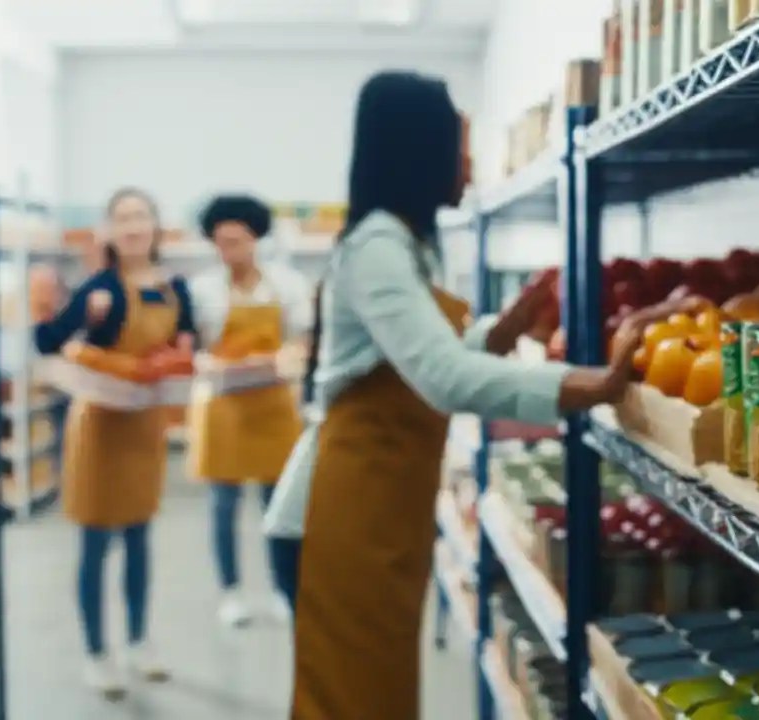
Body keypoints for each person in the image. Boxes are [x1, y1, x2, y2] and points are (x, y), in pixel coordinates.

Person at [262, 71, 690, 720]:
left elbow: (421, 352)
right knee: (350, 703)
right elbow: (445, 377)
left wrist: (505, 329)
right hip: (333, 520)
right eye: (458, 144)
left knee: (374, 698)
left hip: (374, 510)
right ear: (417, 150)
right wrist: (594, 387)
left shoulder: (403, 243)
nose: (468, 162)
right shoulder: (377, 245)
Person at [35, 187, 195, 698]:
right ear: (110, 230)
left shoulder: (175, 288)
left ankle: (139, 642)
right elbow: (48, 341)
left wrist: (179, 358)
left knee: (139, 538)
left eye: (141, 216)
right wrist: (85, 324)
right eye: (122, 218)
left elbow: (188, 342)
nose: (132, 227)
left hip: (144, 425)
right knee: (95, 542)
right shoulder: (98, 287)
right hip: (100, 426)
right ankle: (96, 653)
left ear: (155, 227)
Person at [186, 194, 312, 626]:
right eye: (221, 243)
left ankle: (282, 587)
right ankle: (231, 591)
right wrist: (214, 363)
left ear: (255, 239)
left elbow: (301, 340)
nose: (230, 252)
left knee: (277, 502)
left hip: (274, 404)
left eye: (237, 242)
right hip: (223, 406)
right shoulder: (203, 290)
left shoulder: (287, 285)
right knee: (223, 504)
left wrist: (283, 358)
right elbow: (193, 347)